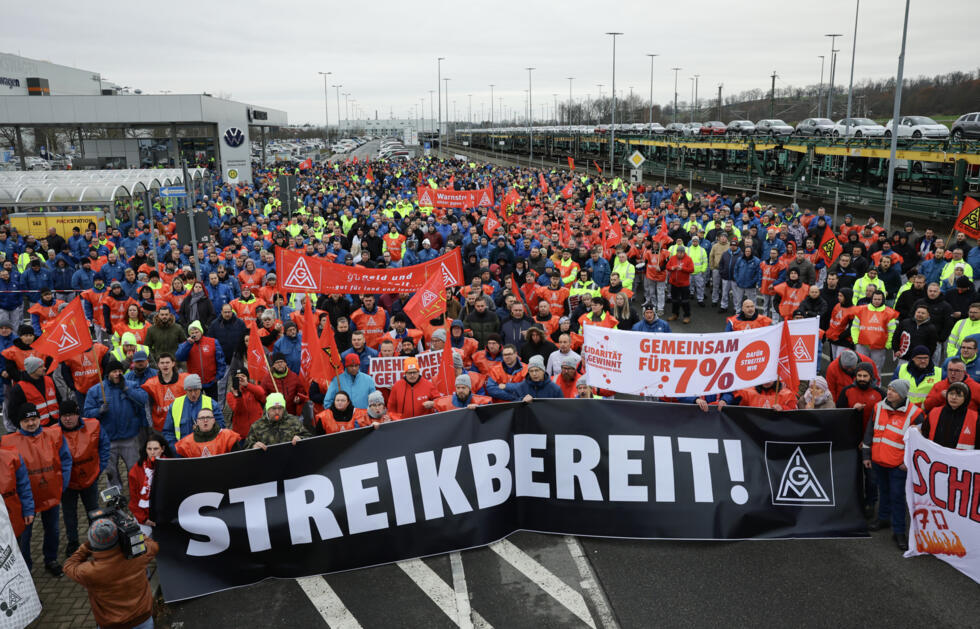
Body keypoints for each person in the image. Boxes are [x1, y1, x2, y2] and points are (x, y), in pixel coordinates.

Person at [3, 403, 72, 576]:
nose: (31, 423)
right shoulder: (8, 442)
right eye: (26, 421)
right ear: (20, 423)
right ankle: (26, 568)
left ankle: (51, 559)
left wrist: (62, 484)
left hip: (50, 494)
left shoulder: (54, 434)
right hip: (25, 500)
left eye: (34, 419)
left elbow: (65, 459)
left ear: (39, 419)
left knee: (53, 529)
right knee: (25, 536)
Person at [63, 517, 160, 629]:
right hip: (142, 619)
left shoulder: (89, 571)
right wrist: (134, 532)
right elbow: (154, 546)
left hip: (111, 625)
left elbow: (69, 565)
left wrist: (86, 546)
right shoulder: (139, 556)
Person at [863, 379, 922, 550]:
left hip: (898, 465)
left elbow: (918, 444)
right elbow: (870, 431)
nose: (888, 393)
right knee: (884, 491)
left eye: (893, 391)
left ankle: (899, 531)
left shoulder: (915, 414)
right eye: (888, 389)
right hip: (879, 460)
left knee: (897, 496)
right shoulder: (879, 407)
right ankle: (883, 519)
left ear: (902, 394)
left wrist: (907, 463)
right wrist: (867, 455)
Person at [82, 359, 149, 489]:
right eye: (114, 371)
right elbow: (87, 413)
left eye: (119, 371)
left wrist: (126, 389)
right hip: (108, 440)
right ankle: (115, 497)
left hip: (129, 438)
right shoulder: (96, 390)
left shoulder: (132, 385)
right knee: (111, 473)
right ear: (108, 374)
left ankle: (137, 493)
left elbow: (143, 400)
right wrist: (98, 411)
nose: (117, 374)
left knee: (134, 469)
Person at [58, 399, 110, 557]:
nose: (67, 419)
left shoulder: (94, 424)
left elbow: (104, 446)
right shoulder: (52, 433)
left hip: (90, 479)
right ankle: (73, 542)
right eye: (64, 416)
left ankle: (96, 540)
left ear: (77, 414)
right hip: (67, 484)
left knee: (93, 511)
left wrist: (98, 469)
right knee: (69, 514)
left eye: (71, 415)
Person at [162, 373, 225, 450]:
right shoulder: (175, 405)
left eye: (196, 390)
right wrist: (176, 449)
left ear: (200, 389)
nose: (193, 394)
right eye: (190, 391)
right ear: (185, 390)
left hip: (206, 449)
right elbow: (168, 432)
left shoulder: (212, 404)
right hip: (182, 451)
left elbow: (221, 429)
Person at [128, 433, 171, 537]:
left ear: (163, 449)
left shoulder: (172, 467)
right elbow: (134, 500)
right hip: (145, 518)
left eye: (156, 449)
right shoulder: (135, 470)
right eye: (149, 449)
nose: (152, 452)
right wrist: (144, 519)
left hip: (167, 519)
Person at [917, 381, 977, 450]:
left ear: (966, 398)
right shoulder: (934, 412)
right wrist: (917, 431)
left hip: (961, 460)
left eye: (959, 395)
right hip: (935, 458)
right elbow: (924, 436)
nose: (954, 397)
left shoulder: (975, 418)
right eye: (951, 394)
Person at [175, 320, 226, 398]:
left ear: (201, 332)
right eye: (192, 333)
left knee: (212, 404)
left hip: (211, 381)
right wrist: (188, 345)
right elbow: (179, 357)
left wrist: (218, 376)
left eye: (196, 332)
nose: (195, 335)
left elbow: (220, 359)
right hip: (195, 383)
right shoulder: (186, 344)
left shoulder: (212, 342)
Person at [244, 393, 311, 449]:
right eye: (273, 408)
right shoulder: (256, 426)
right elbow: (246, 448)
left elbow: (309, 438)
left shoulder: (294, 421)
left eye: (280, 408)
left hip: (290, 461)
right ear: (267, 409)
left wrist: (301, 438)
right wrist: (253, 446)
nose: (277, 412)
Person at [486, 355, 563, 401]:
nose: (534, 374)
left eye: (537, 370)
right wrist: (522, 400)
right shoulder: (522, 387)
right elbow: (514, 403)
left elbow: (560, 409)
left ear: (543, 371)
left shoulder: (554, 389)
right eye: (531, 371)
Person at [175, 407, 241, 457]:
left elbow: (237, 461)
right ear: (197, 422)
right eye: (202, 418)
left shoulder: (228, 437)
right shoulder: (186, 443)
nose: (205, 420)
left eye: (208, 417)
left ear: (213, 420)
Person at [226, 367, 267, 439]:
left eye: (243, 376)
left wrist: (247, 385)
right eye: (237, 377)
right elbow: (239, 410)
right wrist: (239, 396)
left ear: (247, 378)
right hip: (242, 435)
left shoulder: (253, 389)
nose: (240, 379)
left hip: (258, 431)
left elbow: (262, 394)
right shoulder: (230, 394)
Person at [666, 244, 694, 324]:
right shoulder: (673, 258)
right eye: (678, 252)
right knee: (674, 300)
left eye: (681, 253)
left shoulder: (688, 259)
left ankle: (687, 316)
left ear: (684, 253)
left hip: (684, 284)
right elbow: (668, 267)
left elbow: (692, 269)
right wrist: (673, 267)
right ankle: (675, 314)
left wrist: (683, 268)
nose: (680, 254)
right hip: (674, 283)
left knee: (685, 301)